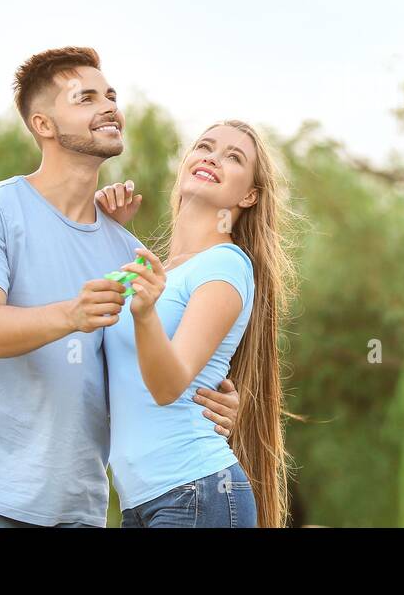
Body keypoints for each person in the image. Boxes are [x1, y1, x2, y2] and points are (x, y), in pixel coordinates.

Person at [0, 46, 239, 528]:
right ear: (44, 125)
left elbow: (145, 370)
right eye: (85, 98)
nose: (109, 106)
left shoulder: (127, 254)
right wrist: (71, 314)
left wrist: (209, 402)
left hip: (77, 514)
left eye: (110, 95)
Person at [96, 120, 293, 527]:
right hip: (140, 501)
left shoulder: (225, 264)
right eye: (205, 146)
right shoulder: (153, 273)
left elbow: (169, 386)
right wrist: (103, 227)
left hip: (195, 489)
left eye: (233, 157)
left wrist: (146, 314)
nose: (212, 157)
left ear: (250, 195)